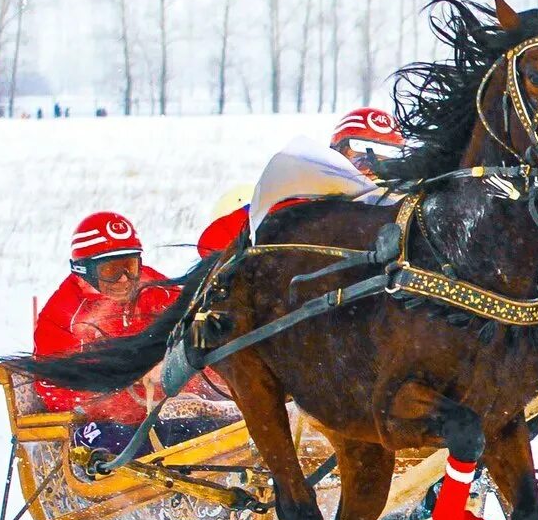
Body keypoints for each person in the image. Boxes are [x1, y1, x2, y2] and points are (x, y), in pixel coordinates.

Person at [33, 211, 232, 458]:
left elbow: (193, 328)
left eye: (130, 266)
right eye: (111, 271)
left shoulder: (154, 287)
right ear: (84, 270)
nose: (125, 280)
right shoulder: (61, 315)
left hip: (165, 413)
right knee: (134, 441)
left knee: (216, 428)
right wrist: (126, 383)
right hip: (101, 426)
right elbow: (51, 389)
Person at [195, 107, 406, 256]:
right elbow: (213, 242)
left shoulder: (403, 210)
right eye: (361, 158)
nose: (371, 171)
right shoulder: (303, 196)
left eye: (385, 164)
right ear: (336, 154)